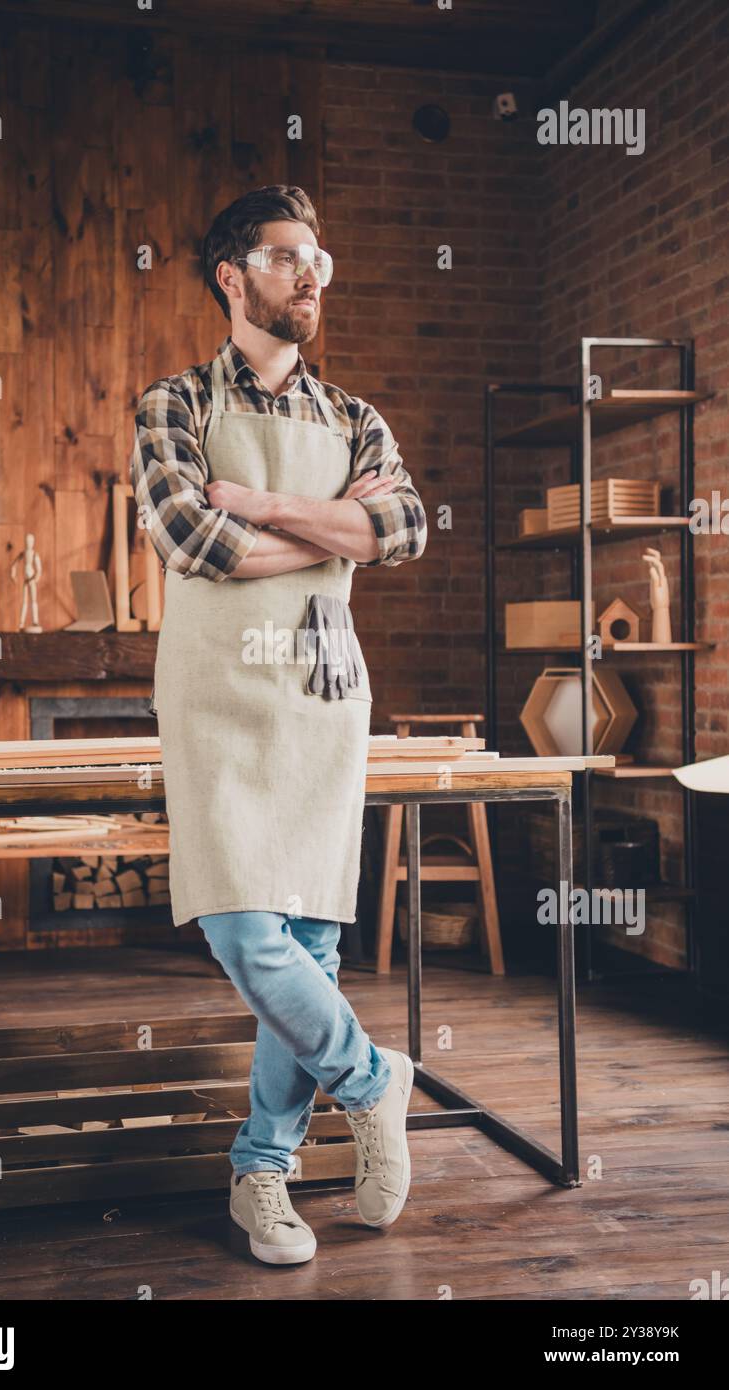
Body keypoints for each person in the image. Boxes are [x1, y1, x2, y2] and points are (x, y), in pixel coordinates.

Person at [131, 185, 428, 1265]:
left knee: (304, 940)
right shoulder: (173, 403)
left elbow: (401, 524)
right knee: (241, 925)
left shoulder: (351, 416)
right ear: (231, 275)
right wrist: (329, 536)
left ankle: (261, 1169)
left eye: (321, 259)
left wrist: (258, 507)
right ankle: (371, 1077)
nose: (312, 275)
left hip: (320, 691)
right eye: (288, 256)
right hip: (214, 695)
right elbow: (186, 538)